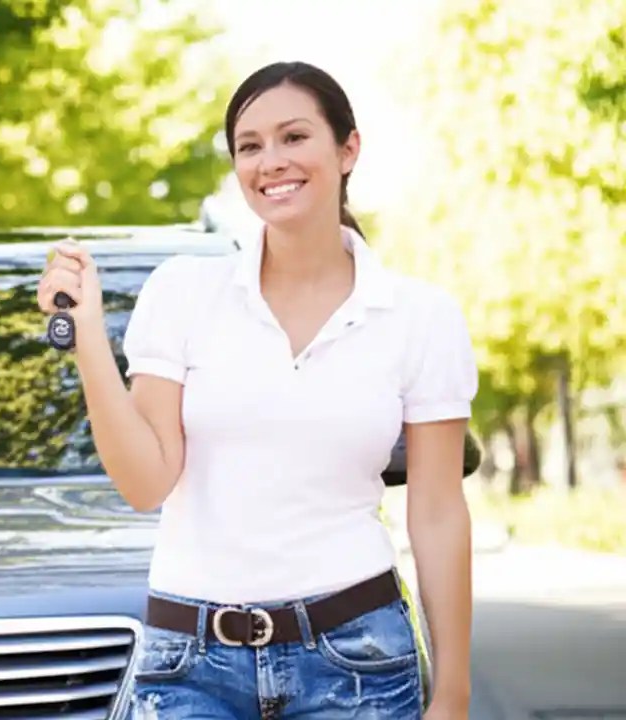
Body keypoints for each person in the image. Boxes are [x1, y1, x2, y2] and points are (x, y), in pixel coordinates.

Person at [37, 61, 476, 719]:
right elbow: (145, 483)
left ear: (347, 148)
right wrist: (89, 338)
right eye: (250, 145)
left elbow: (438, 513)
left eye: (294, 137)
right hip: (188, 665)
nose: (271, 161)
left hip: (356, 661)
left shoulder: (421, 317)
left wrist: (454, 692)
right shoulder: (183, 293)